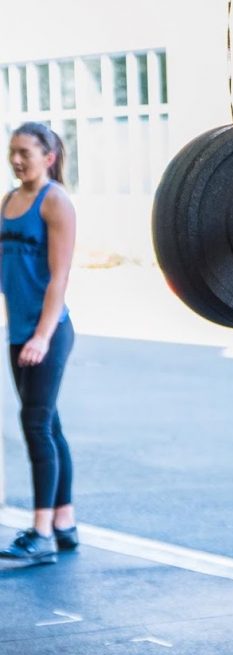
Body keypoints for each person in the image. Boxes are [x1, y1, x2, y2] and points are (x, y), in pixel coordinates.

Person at [0, 122, 78, 566]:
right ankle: (65, 521)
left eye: (25, 152)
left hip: (47, 332)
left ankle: (42, 531)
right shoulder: (9, 201)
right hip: (18, 333)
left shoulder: (56, 202)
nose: (15, 160)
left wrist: (43, 336)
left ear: (48, 157)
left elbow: (59, 277)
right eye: (12, 151)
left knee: (34, 423)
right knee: (49, 425)